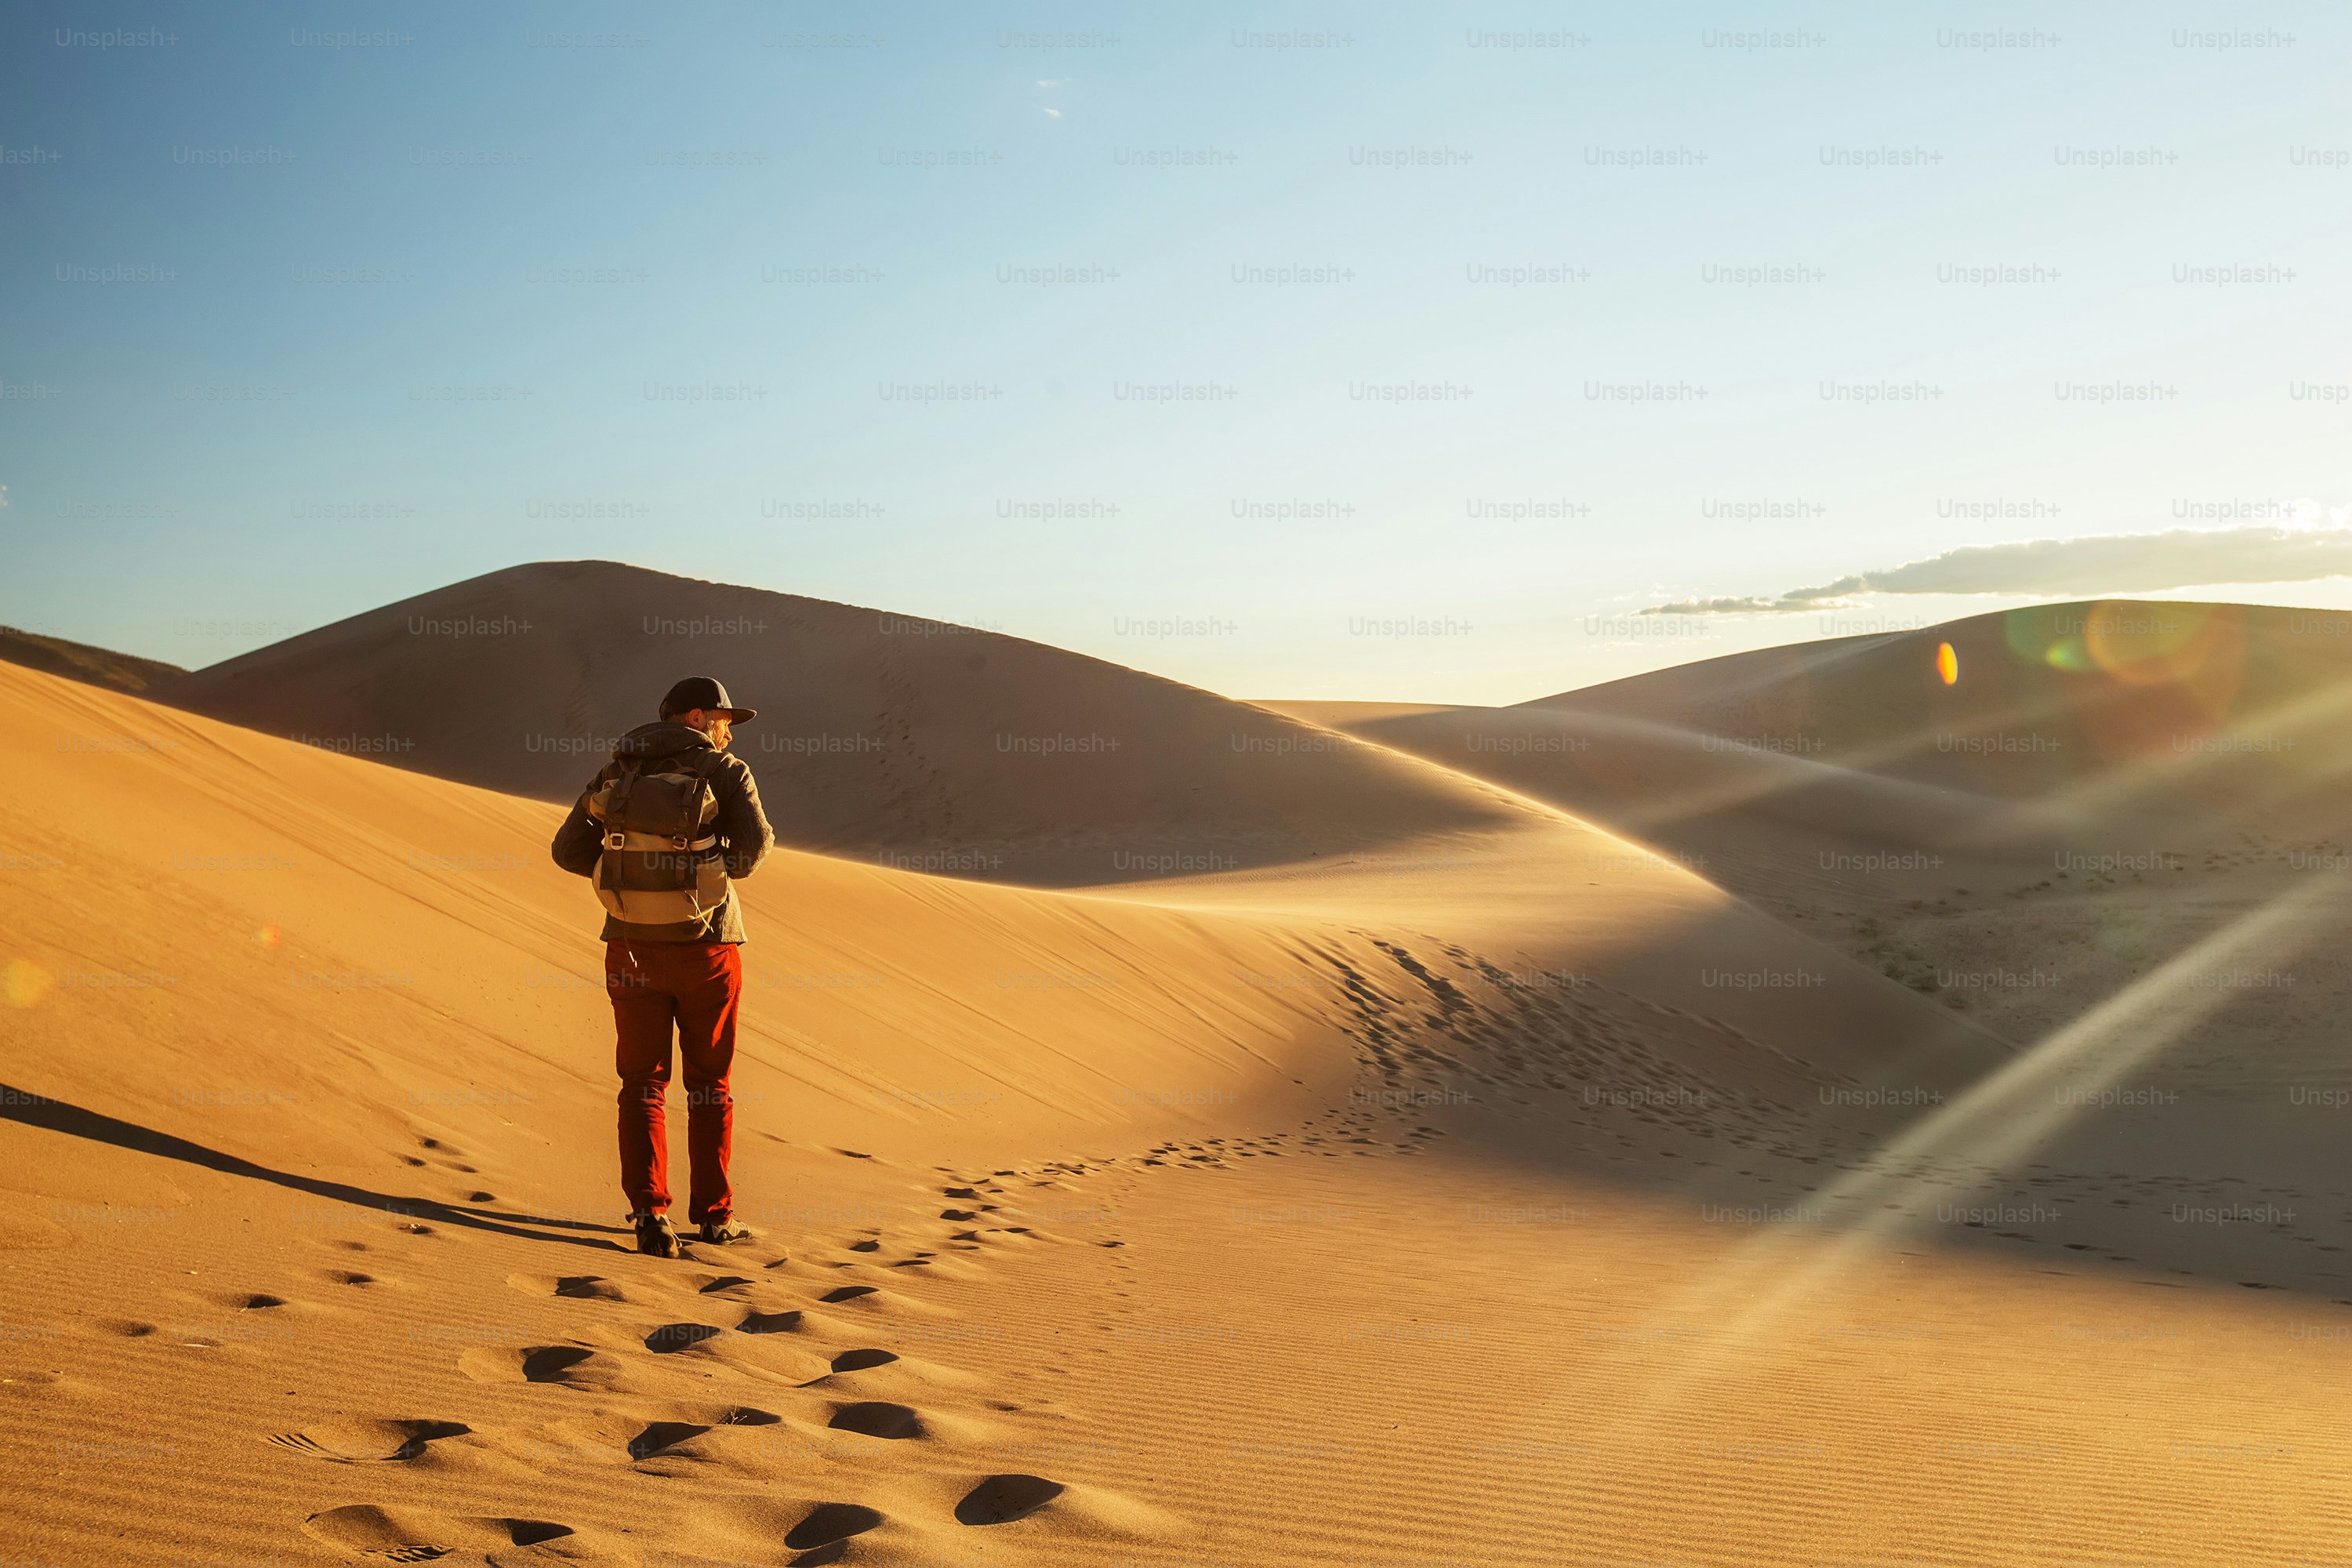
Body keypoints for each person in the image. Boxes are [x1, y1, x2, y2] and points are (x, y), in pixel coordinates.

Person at [550, 677, 775, 1258]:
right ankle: (715, 1217)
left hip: (629, 947)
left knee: (643, 1081)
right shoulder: (727, 772)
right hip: (707, 947)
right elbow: (751, 855)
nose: (728, 730)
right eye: (724, 719)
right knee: (709, 1083)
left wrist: (635, 874)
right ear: (697, 716)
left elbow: (569, 851)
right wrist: (699, 864)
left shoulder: (617, 773)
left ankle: (650, 1214)